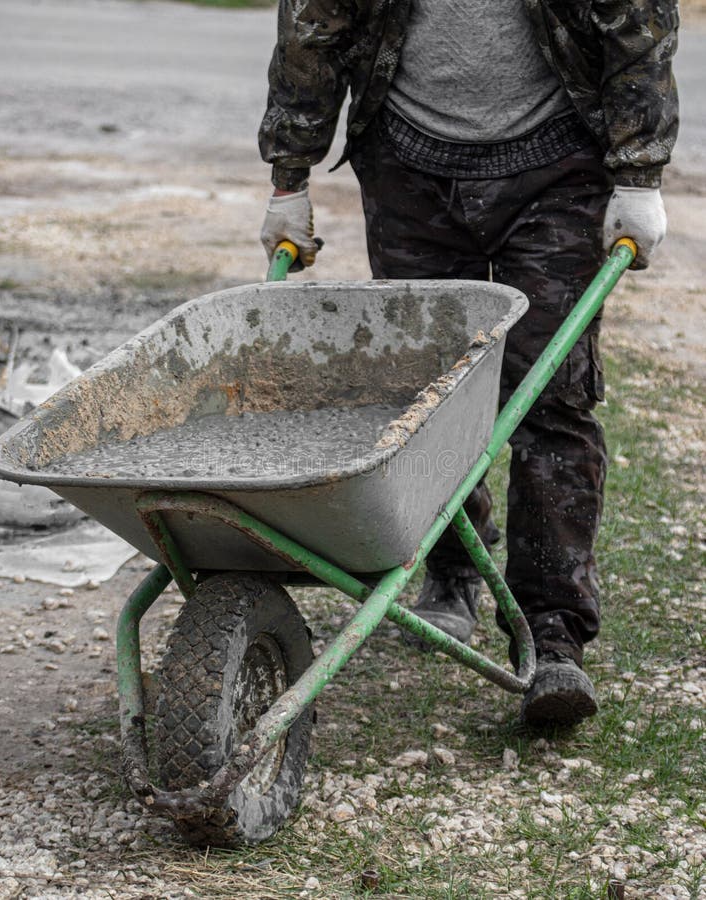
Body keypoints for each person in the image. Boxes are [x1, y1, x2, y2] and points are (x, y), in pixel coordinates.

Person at [258, 0, 678, 727]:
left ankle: (551, 633)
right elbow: (313, 25)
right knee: (426, 394)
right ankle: (451, 575)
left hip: (557, 162)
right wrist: (288, 179)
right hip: (407, 164)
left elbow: (636, 23)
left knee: (552, 394)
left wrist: (639, 173)